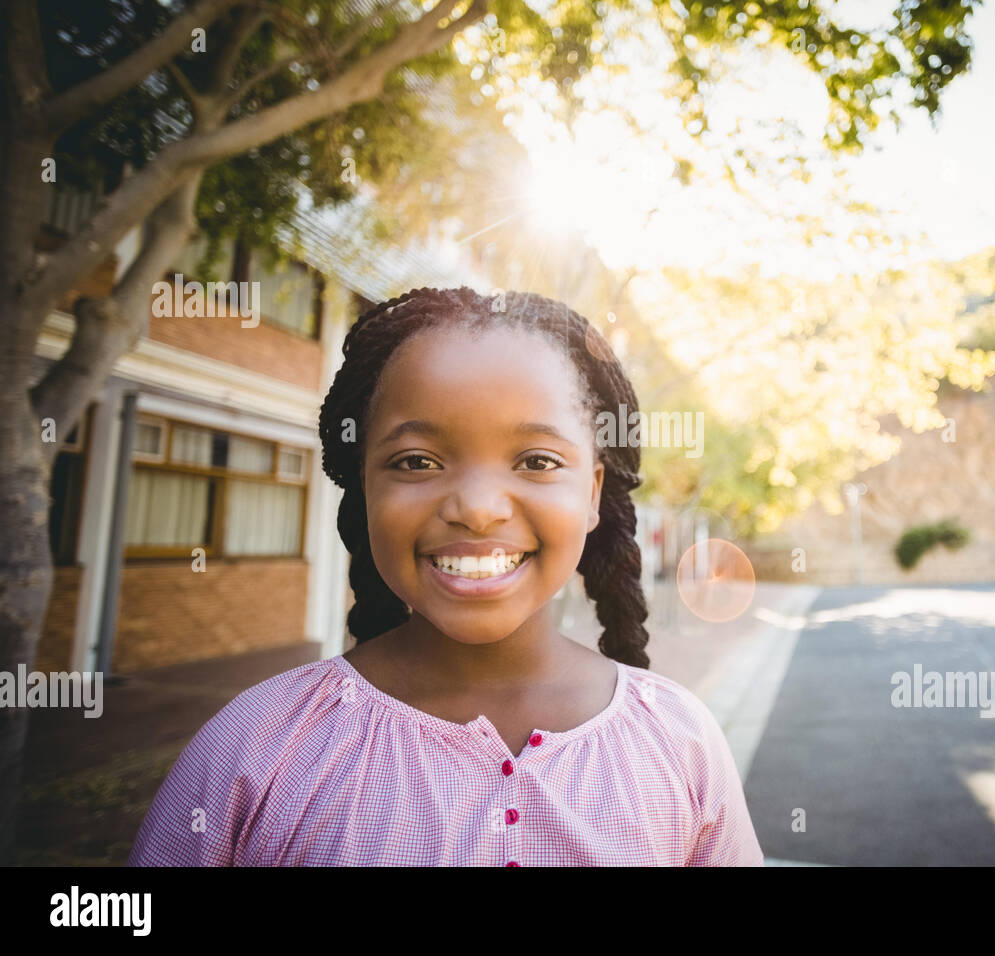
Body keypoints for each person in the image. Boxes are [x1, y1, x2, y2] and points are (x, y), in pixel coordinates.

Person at [127, 287, 765, 866]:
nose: (478, 507)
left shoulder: (678, 744)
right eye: (417, 461)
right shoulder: (257, 748)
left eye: (537, 460)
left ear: (593, 491)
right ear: (365, 489)